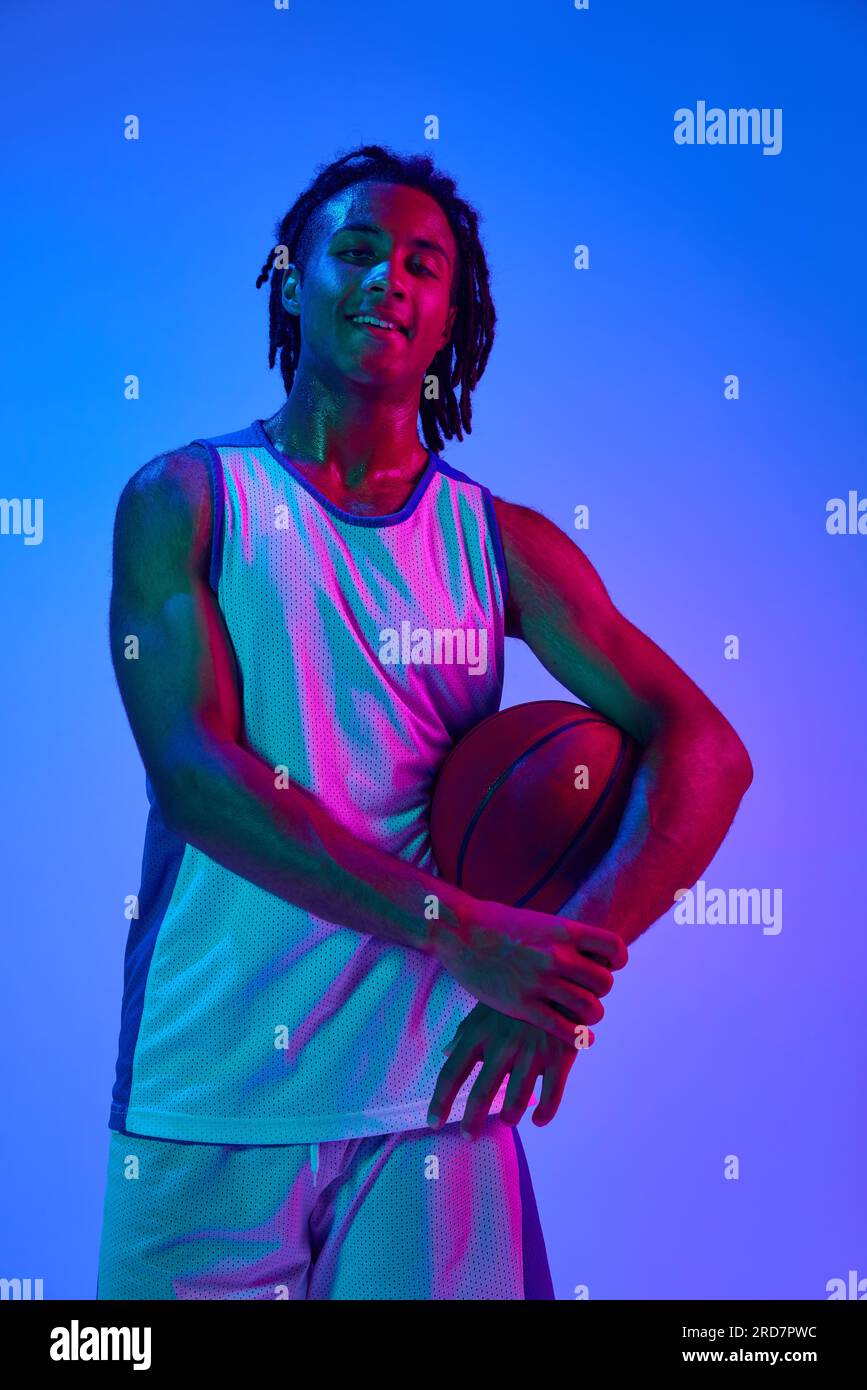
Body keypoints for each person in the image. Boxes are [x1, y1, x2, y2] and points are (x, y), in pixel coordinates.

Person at [97, 144, 752, 1301]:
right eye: (354, 249)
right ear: (291, 280)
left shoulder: (501, 543)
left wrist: (560, 977)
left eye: (422, 264)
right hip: (206, 1088)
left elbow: (707, 750)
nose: (387, 279)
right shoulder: (188, 499)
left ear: (452, 315)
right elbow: (199, 778)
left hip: (432, 1094)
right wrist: (460, 930)